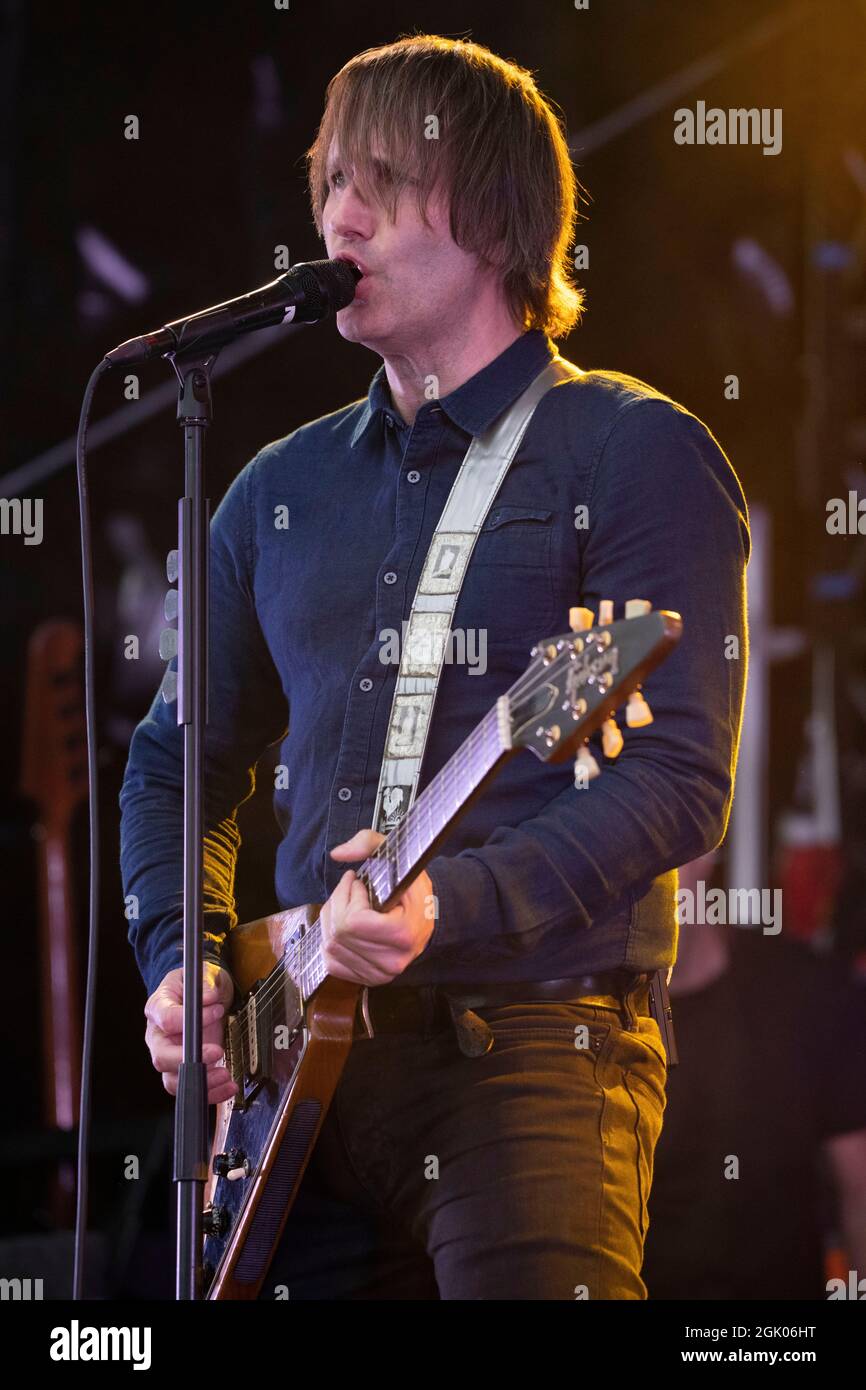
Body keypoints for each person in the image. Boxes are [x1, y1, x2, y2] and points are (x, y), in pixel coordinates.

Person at [119, 34, 750, 1300]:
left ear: (486, 210)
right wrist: (182, 958)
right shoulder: (272, 489)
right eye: (324, 183)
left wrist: (444, 907)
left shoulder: (630, 452)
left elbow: (677, 779)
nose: (330, 215)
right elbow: (179, 758)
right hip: (294, 1072)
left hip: (533, 1051)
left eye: (372, 181)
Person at [643, 854, 866, 1300]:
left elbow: (860, 1194)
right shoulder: (578, 1030)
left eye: (647, 863)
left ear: (703, 849)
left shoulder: (809, 994)